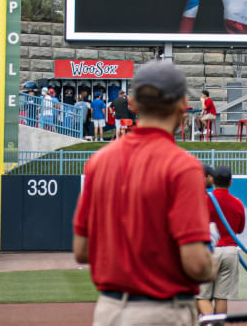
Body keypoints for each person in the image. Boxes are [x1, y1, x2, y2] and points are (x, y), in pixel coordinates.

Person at [73, 60, 214, 325]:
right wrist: (211, 266)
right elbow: (196, 265)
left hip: (109, 312)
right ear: (183, 104)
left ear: (134, 105)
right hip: (162, 312)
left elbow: (82, 250)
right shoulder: (184, 167)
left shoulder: (99, 161)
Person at [199, 165, 245, 319]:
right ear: (230, 182)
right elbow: (240, 229)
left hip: (209, 250)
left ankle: (211, 323)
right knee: (221, 296)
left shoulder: (205, 200)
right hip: (230, 252)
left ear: (213, 180)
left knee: (201, 296)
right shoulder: (238, 203)